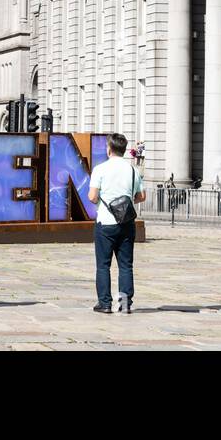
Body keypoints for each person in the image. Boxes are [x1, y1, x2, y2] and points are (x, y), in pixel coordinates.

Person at [88, 132, 145, 313]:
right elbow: (141, 196)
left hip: (105, 222)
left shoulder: (100, 169)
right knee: (125, 265)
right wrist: (124, 203)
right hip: (126, 223)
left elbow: (92, 196)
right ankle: (126, 303)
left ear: (109, 149)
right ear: (124, 149)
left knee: (103, 265)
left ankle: (105, 303)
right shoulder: (132, 170)